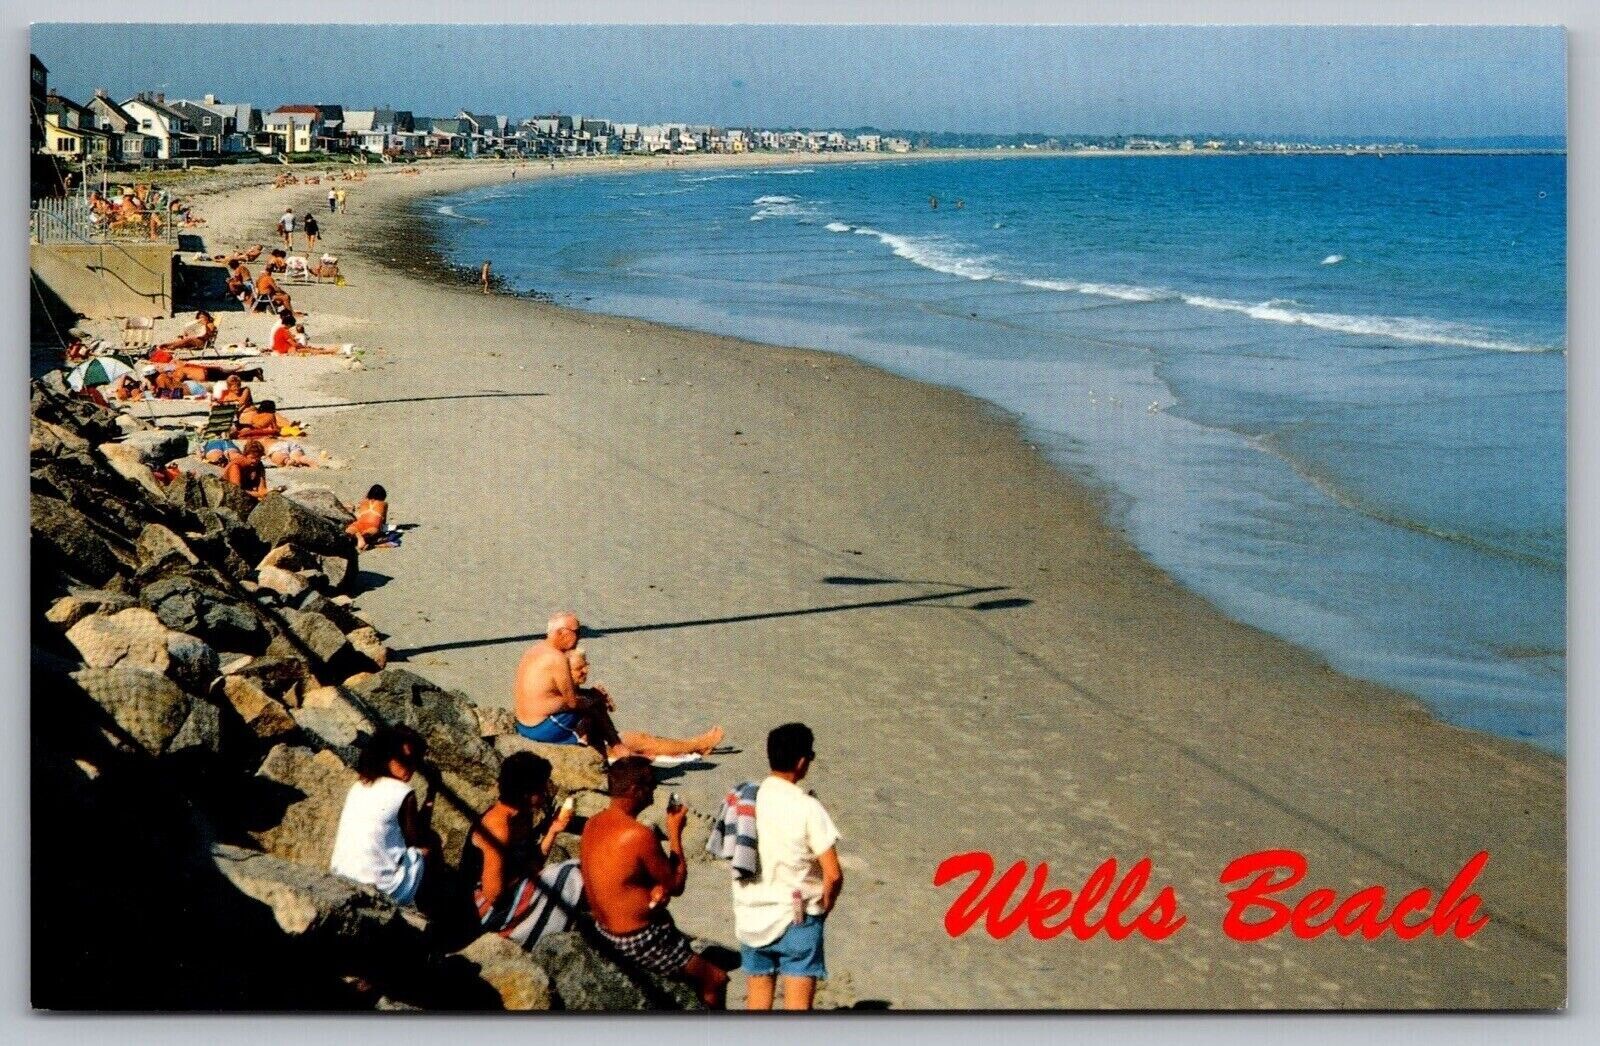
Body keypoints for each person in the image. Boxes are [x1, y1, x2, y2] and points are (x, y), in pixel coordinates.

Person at [579, 757, 728, 1008]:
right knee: (716, 979)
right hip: (637, 938)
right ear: (636, 791)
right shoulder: (638, 834)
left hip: (603, 930)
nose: (655, 789)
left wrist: (653, 890)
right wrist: (674, 833)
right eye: (651, 784)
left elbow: (622, 875)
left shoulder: (593, 823)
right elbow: (676, 884)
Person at [730, 723, 842, 1010]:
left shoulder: (745, 798)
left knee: (757, 999)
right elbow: (833, 873)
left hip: (751, 914)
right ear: (802, 762)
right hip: (797, 916)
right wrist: (825, 906)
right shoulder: (807, 807)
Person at [466, 752, 583, 949]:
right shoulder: (499, 826)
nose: (546, 792)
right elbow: (493, 892)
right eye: (542, 787)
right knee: (569, 873)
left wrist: (552, 831)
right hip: (482, 906)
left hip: (511, 892)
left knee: (571, 872)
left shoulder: (523, 816)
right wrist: (527, 877)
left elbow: (534, 863)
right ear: (527, 794)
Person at [329, 726, 439, 908]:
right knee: (430, 846)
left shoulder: (360, 784)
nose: (411, 767)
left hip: (342, 876)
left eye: (415, 761)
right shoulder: (404, 792)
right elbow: (417, 839)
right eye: (405, 760)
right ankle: (432, 911)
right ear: (386, 756)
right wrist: (431, 796)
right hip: (383, 889)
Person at [568, 648, 723, 759]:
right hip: (585, 747)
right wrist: (594, 702)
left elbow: (603, 720)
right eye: (579, 668)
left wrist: (600, 704)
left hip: (597, 741)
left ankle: (694, 746)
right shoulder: (565, 695)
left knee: (643, 738)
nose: (586, 671)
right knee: (641, 740)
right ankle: (697, 745)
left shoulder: (580, 692)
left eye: (586, 665)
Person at [513, 611, 603, 748]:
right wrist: (593, 700)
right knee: (594, 706)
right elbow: (572, 703)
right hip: (542, 728)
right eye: (577, 632)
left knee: (589, 699)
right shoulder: (557, 659)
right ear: (562, 633)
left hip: (523, 724)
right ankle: (608, 747)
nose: (580, 637)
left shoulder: (534, 650)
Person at [270, 310, 340, 356]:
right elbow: (293, 344)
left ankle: (329, 351)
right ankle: (329, 351)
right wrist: (301, 346)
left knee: (308, 349)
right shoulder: (284, 331)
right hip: (283, 350)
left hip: (278, 348)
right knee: (309, 350)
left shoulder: (279, 329)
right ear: (288, 324)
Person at [152, 310, 217, 355]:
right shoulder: (197, 325)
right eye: (200, 318)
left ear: (207, 318)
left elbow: (206, 335)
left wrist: (205, 325)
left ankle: (167, 346)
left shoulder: (210, 324)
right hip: (193, 341)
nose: (202, 319)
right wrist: (184, 334)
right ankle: (166, 347)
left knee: (188, 339)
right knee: (181, 339)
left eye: (203, 317)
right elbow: (190, 332)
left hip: (202, 342)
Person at [346, 484, 388, 551]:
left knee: (349, 530)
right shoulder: (384, 504)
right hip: (373, 526)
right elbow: (383, 521)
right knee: (370, 533)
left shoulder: (363, 502)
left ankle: (357, 535)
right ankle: (362, 537)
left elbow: (359, 516)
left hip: (360, 523)